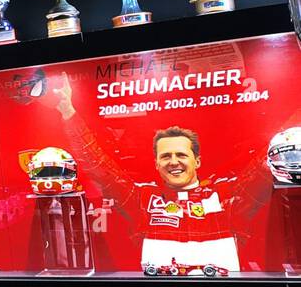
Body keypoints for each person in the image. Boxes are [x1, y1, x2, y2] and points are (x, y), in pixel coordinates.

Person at [52, 73, 274, 271]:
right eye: (165, 156)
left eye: (181, 155)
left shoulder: (227, 196)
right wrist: (69, 114)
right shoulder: (143, 199)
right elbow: (99, 168)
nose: (173, 162)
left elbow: (270, 160)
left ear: (197, 161)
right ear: (156, 164)